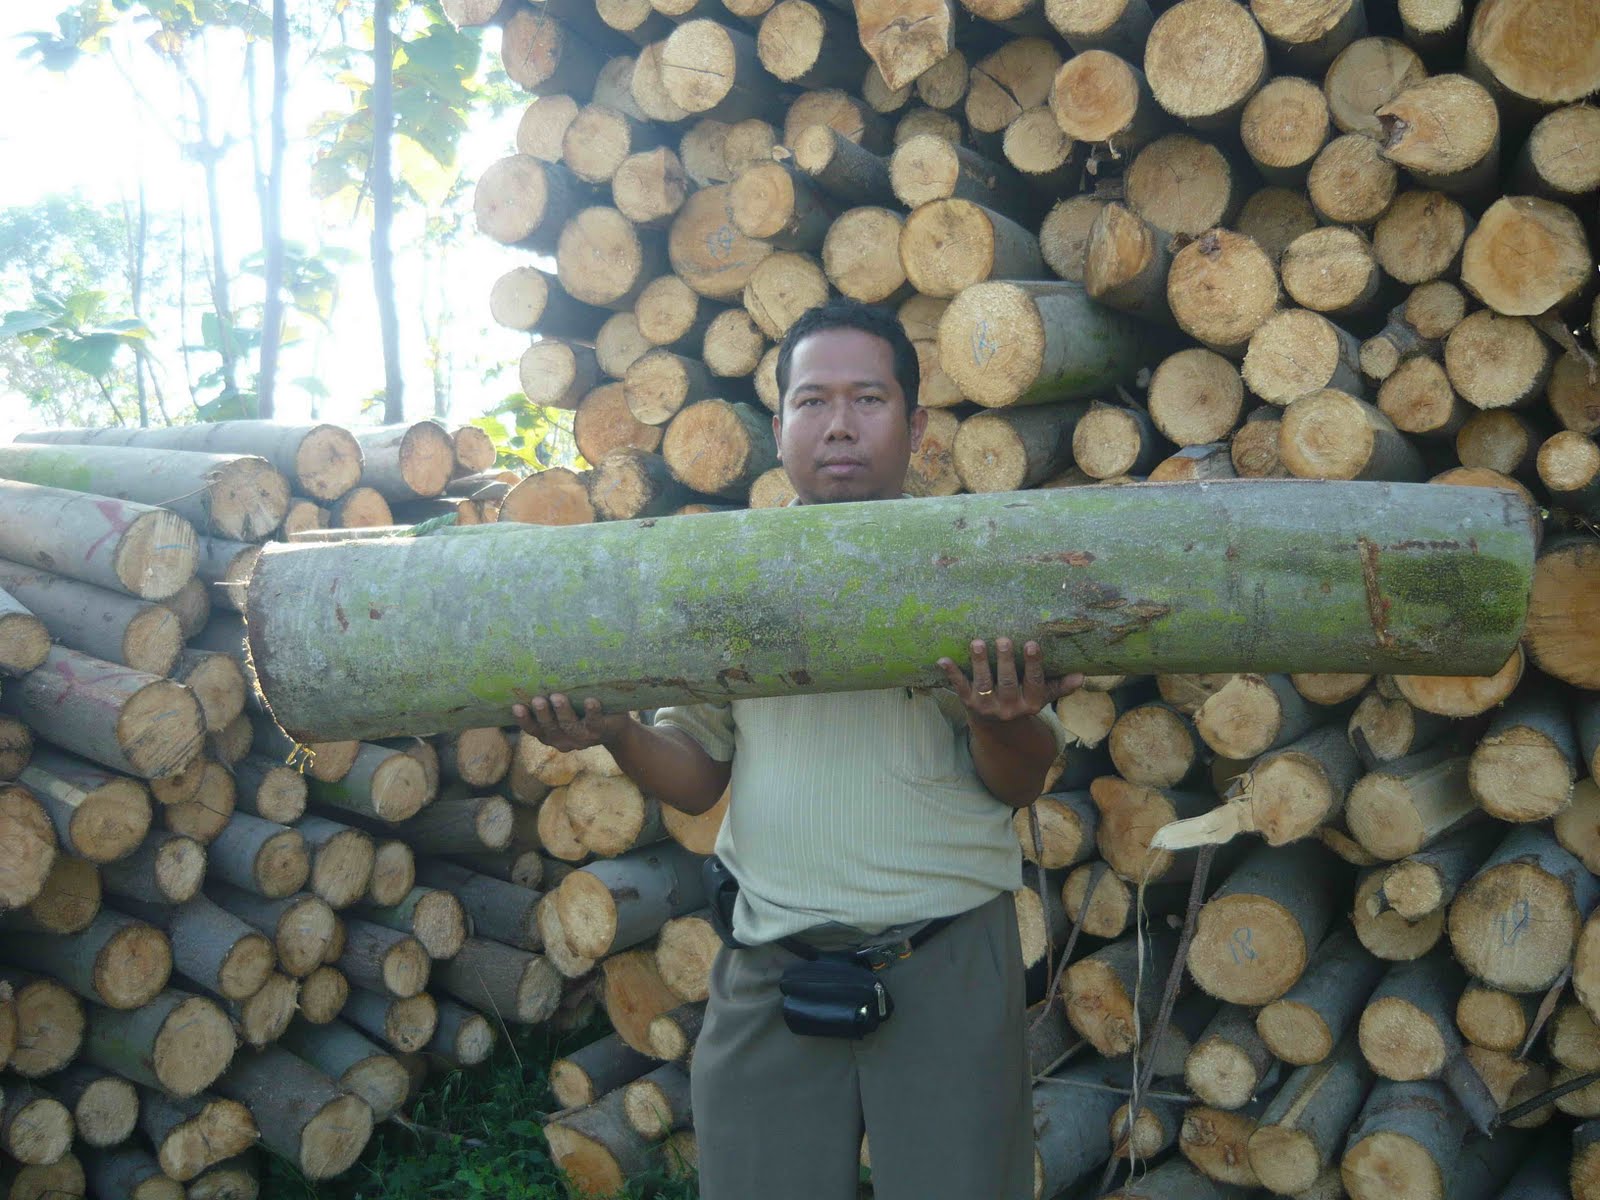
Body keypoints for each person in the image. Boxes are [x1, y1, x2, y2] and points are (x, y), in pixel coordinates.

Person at [513, 298, 1084, 1200]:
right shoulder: (731, 579)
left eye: (869, 398)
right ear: (778, 426)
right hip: (766, 960)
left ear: (916, 423)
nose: (840, 426)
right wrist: (617, 733)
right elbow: (698, 781)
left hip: (943, 962)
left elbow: (1017, 782)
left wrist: (1000, 716)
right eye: (813, 401)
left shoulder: (974, 566)